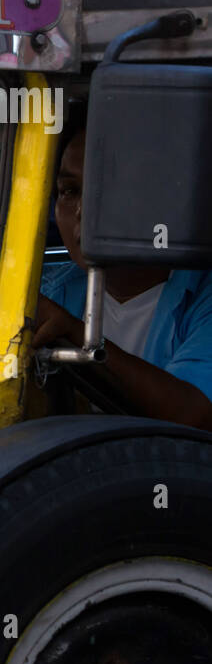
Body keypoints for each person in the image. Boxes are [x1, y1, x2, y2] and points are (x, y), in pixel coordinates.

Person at [33, 118, 212, 431]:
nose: (82, 212)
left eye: (107, 190)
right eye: (69, 191)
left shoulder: (201, 296)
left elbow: (193, 416)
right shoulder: (52, 291)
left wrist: (75, 334)